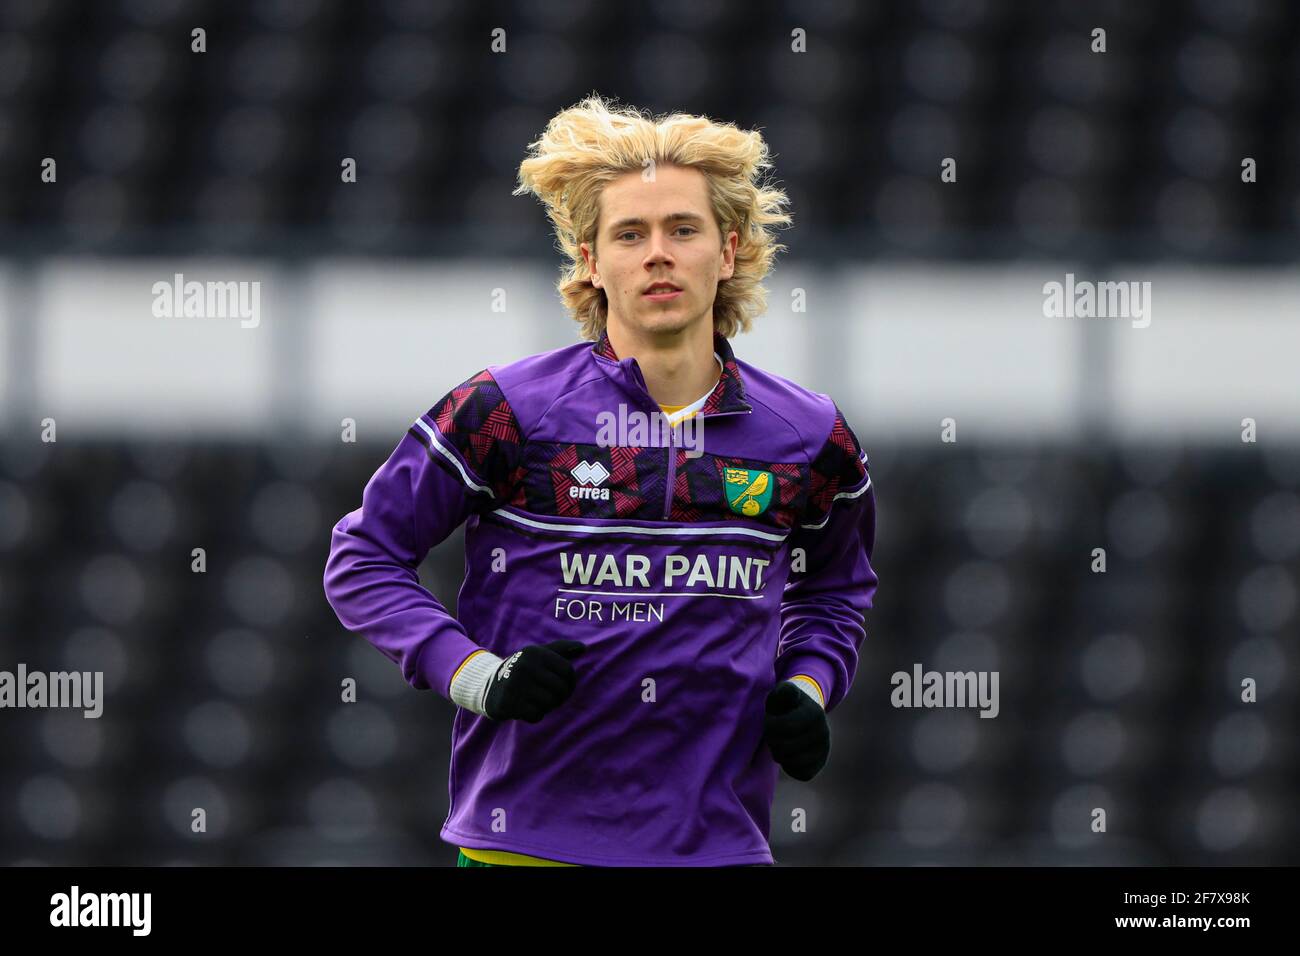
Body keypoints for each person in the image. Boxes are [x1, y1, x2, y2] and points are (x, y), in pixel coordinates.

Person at [323, 94, 878, 867]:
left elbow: (834, 592)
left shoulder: (812, 437)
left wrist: (810, 687)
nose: (658, 254)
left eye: (683, 229)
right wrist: (476, 676)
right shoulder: (503, 411)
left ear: (729, 251)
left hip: (718, 852)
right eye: (630, 234)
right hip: (522, 849)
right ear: (590, 259)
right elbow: (363, 558)